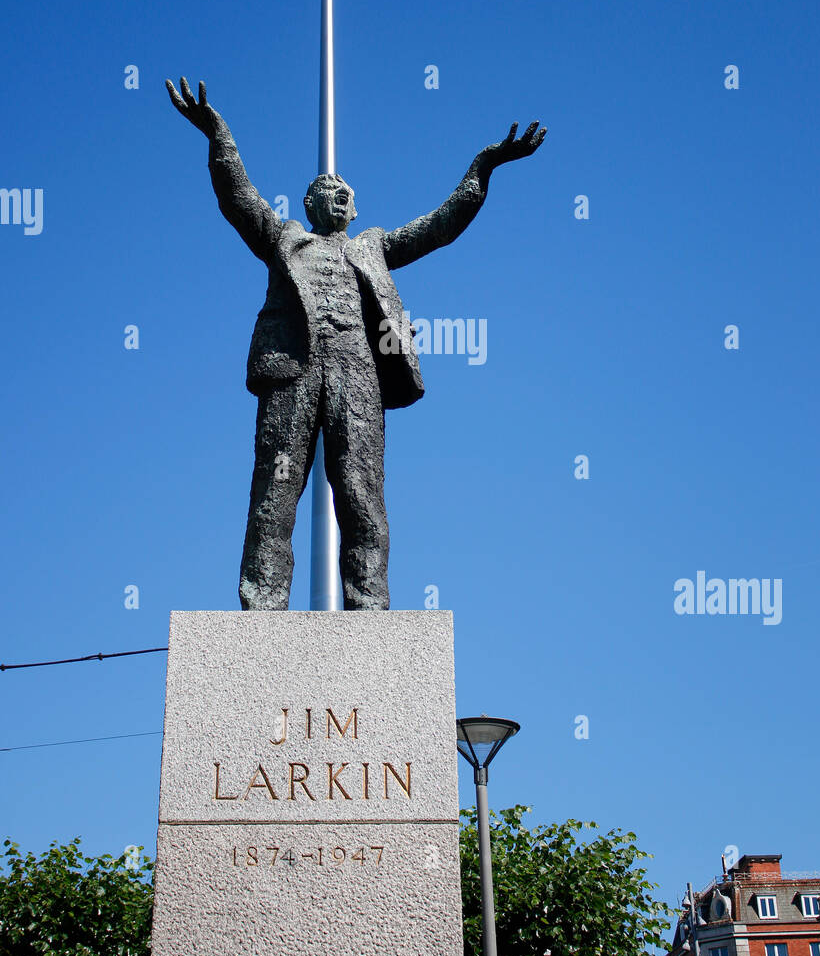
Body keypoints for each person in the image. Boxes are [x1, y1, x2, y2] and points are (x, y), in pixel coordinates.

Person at [166, 76, 546, 609]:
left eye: (349, 195)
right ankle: (262, 607)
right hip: (291, 371)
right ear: (310, 203)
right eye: (332, 191)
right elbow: (237, 195)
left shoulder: (375, 248)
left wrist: (482, 169)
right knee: (276, 491)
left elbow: (438, 226)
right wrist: (217, 134)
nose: (343, 196)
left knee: (361, 493)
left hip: (357, 373)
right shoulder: (283, 238)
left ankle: (369, 606)